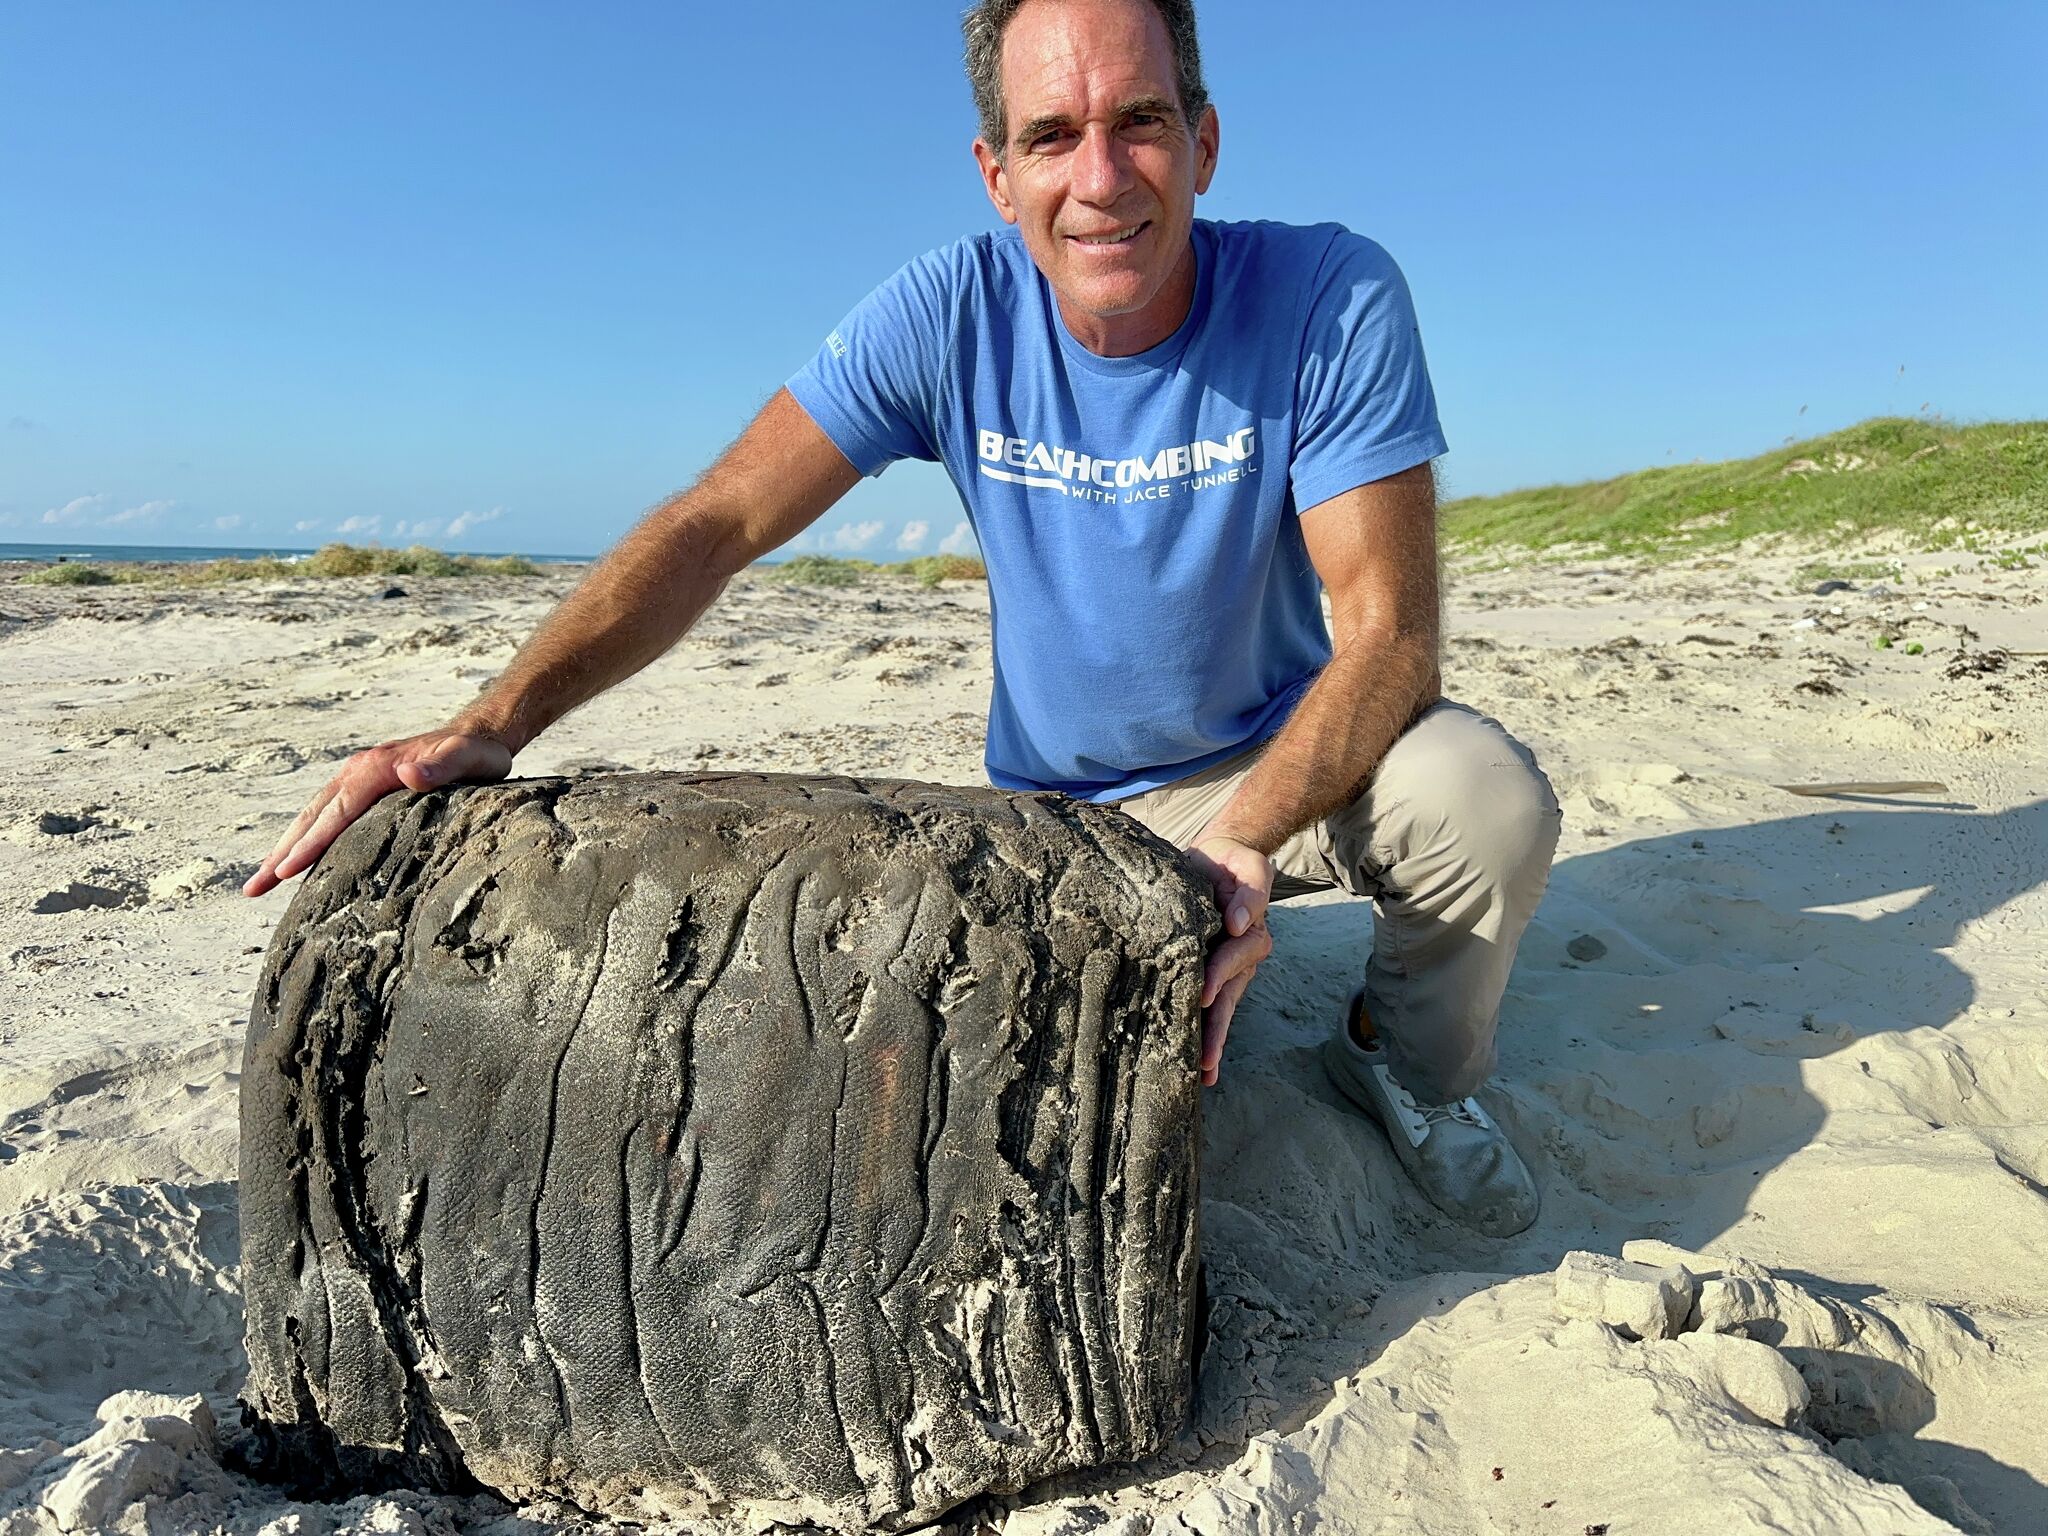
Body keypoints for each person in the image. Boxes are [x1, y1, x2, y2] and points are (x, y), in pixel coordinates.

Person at [244, 0, 1560, 1237]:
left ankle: (1399, 1065)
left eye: (1140, 123)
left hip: (1293, 768)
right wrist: (496, 720)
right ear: (999, 175)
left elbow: (1389, 635)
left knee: (1484, 798)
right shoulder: (950, 312)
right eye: (1052, 136)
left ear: (1203, 141)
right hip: (1070, 818)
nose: (1099, 180)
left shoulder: (1330, 296)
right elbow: (721, 522)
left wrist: (1255, 838)